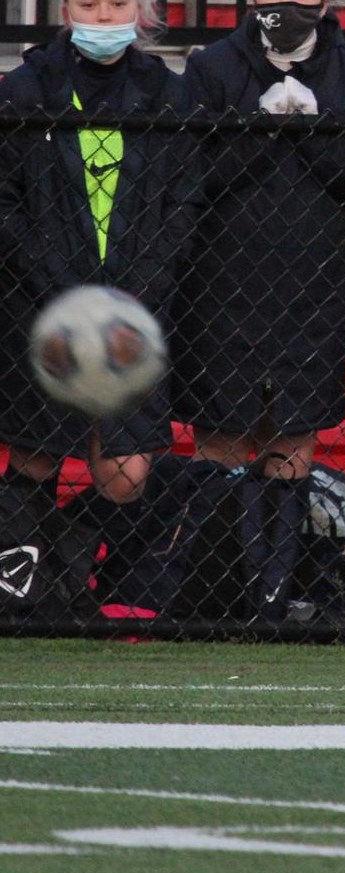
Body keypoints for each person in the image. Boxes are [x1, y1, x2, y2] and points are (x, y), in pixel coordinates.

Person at [178, 0, 345, 617]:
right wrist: (261, 127)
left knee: (293, 442)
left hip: (315, 284)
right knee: (219, 438)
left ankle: (276, 589)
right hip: (221, 282)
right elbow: (192, 174)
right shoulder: (211, 66)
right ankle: (212, 592)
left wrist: (312, 131)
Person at [0, 0, 201, 607]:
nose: (104, 16)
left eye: (118, 5)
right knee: (37, 453)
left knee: (125, 475)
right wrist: (59, 281)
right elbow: (6, 201)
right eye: (90, 3)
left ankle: (72, 558)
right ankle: (22, 588)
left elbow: (185, 202)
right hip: (44, 302)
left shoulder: (168, 92)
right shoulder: (26, 86)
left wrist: (134, 289)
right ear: (67, 9)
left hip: (131, 308)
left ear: (140, 13)